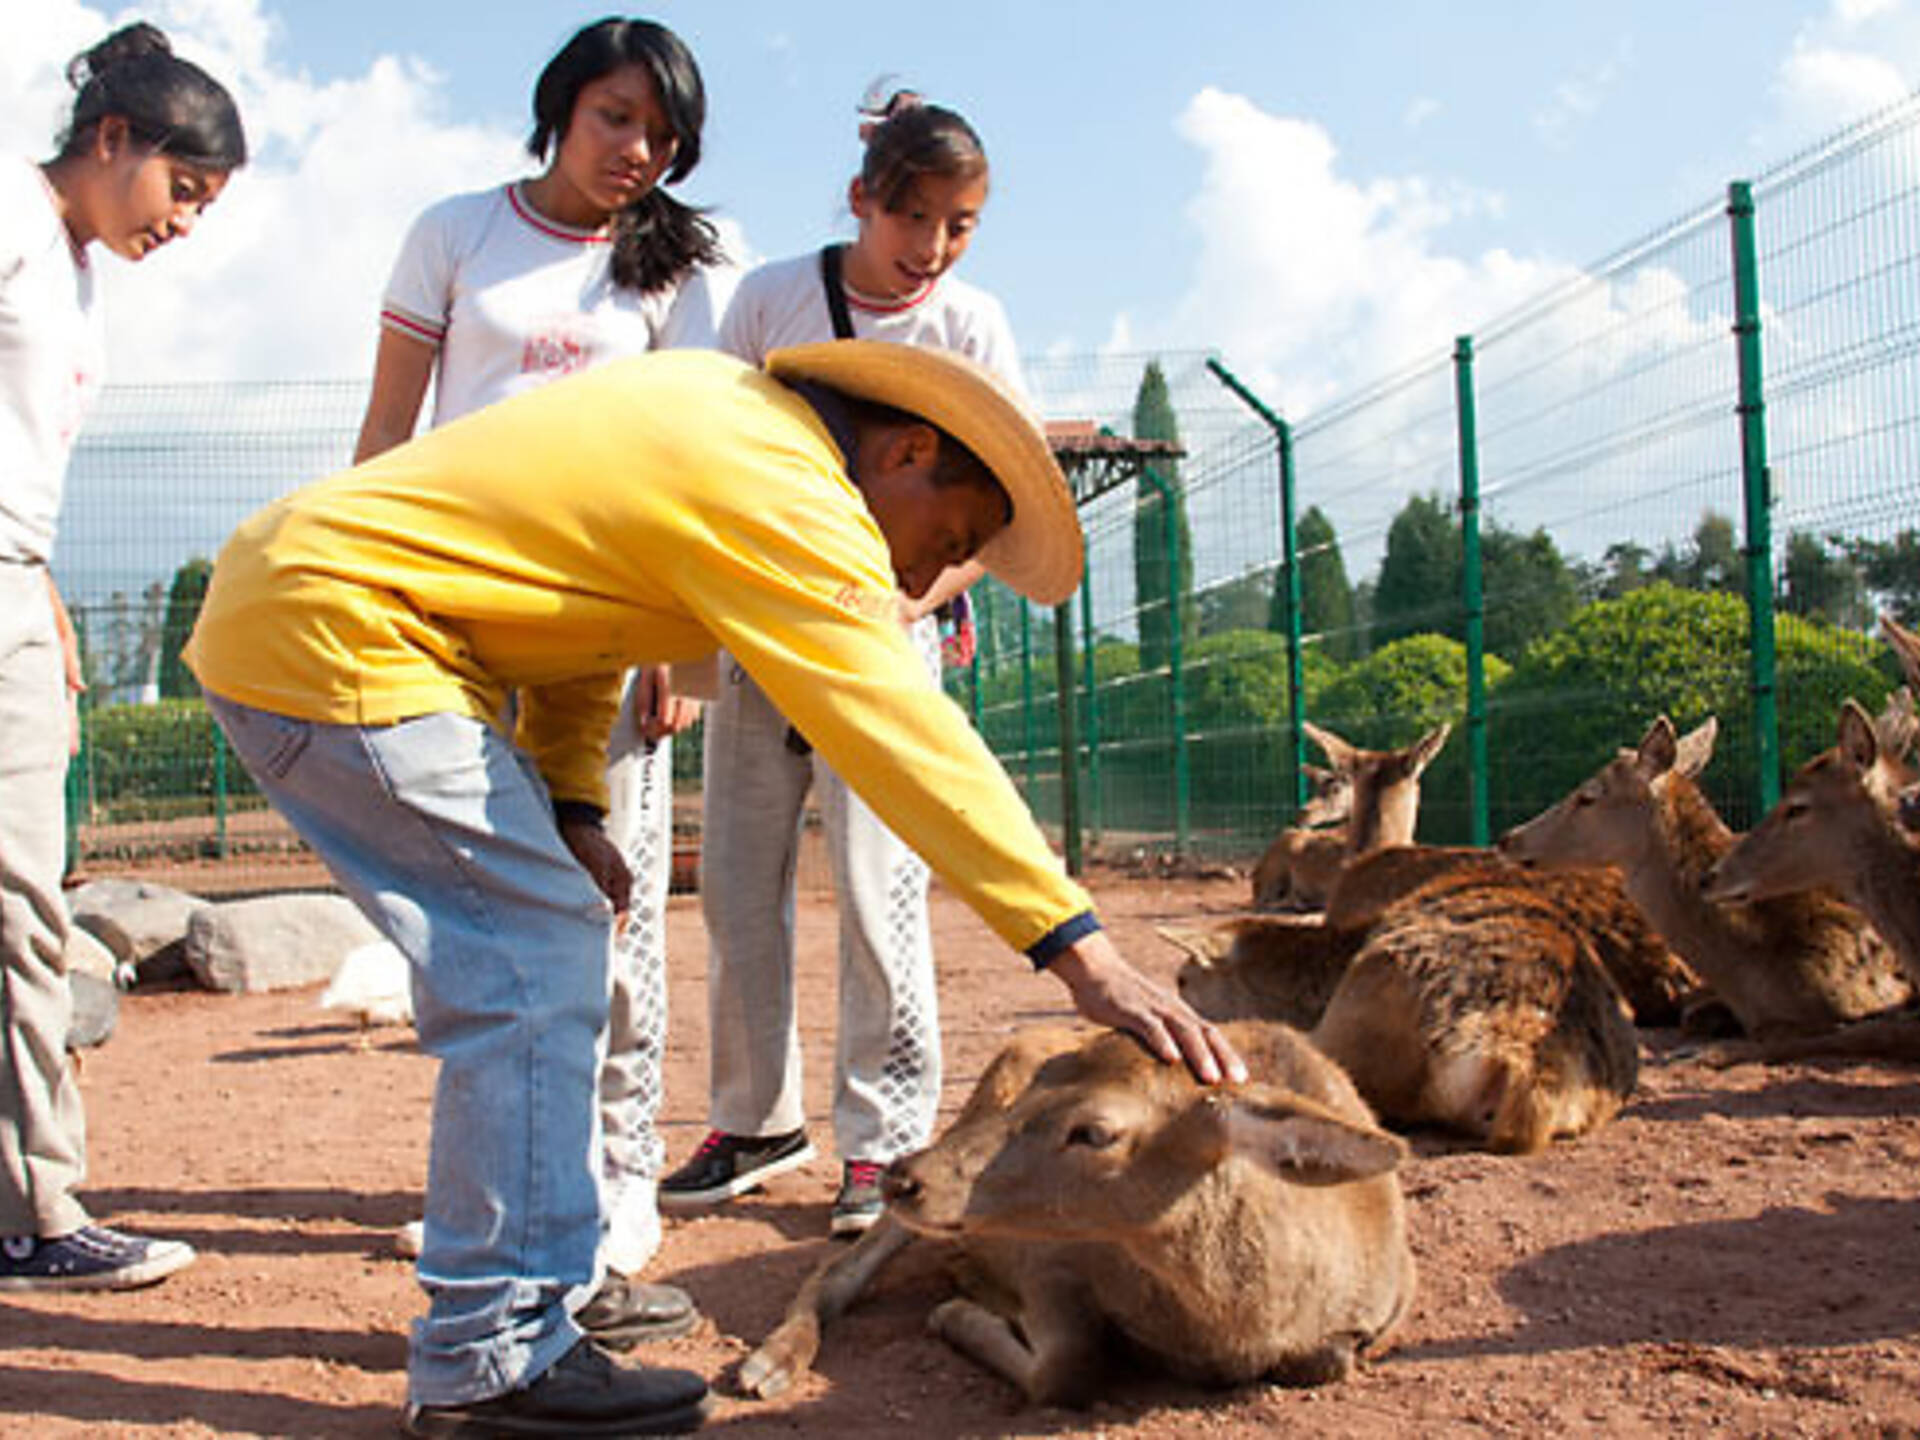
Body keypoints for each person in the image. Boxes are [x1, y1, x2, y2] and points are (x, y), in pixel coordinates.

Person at [184, 339, 1244, 1435]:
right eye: (948, 540)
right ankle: (489, 1357)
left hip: (333, 617)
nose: (926, 583)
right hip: (340, 634)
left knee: (543, 948)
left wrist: (571, 802)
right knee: (527, 961)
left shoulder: (727, 425)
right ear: (909, 450)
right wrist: (1080, 948)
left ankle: (540, 1295)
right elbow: (902, 732)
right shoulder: (785, 485)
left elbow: (578, 615)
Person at [352, 15, 727, 1299]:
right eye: (617, 117)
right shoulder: (455, 230)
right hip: (449, 620)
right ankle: (504, 1190)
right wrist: (370, 584)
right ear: (561, 107)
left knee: (607, 907)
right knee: (471, 918)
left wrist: (668, 646)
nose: (636, 151)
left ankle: (620, 1185)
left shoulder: (679, 270)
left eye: (662, 135)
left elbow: (686, 458)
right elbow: (389, 434)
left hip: (603, 625)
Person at [662, 96, 1017, 1237]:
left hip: (887, 644)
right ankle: (755, 1120)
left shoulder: (971, 325)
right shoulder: (772, 298)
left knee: (880, 893)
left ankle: (886, 1141)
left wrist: (903, 601)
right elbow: (712, 447)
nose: (932, 245)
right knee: (736, 885)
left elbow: (996, 519)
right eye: (912, 214)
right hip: (760, 634)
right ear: (861, 198)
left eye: (958, 223)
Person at [0, 21, 245, 1293]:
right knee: (22, 915)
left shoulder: (73, 264)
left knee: (25, 910)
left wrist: (36, 586)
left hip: (12, 593)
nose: (188, 223)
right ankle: (36, 1216)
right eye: (184, 189)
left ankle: (33, 1205)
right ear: (112, 141)